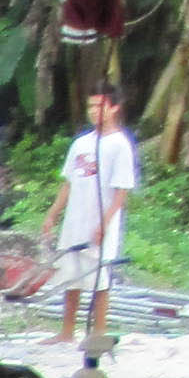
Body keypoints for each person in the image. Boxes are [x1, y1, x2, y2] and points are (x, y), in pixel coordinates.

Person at [44, 78, 140, 351]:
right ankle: (66, 331)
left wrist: (105, 222)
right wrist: (53, 214)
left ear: (114, 108)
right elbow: (68, 183)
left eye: (99, 106)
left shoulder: (120, 144)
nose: (93, 111)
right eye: (90, 106)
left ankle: (98, 332)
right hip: (76, 218)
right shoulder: (81, 144)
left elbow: (121, 190)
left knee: (100, 279)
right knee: (70, 275)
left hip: (100, 222)